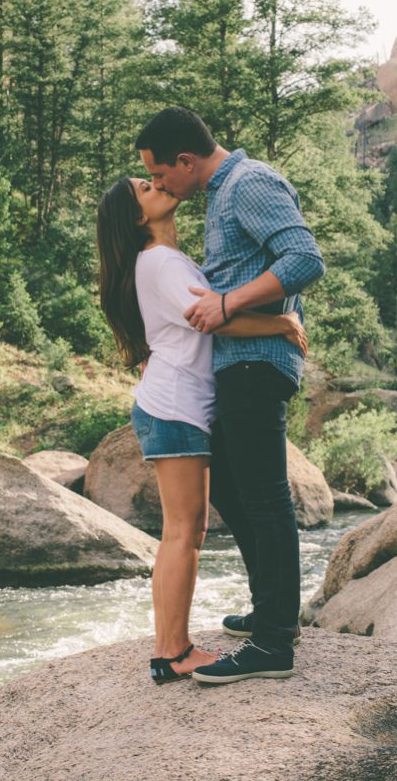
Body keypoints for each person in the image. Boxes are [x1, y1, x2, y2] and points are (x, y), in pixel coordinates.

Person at [134, 106, 324, 685]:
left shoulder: (249, 183)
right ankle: (274, 615)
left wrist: (230, 303)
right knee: (240, 498)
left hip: (258, 365)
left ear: (186, 161)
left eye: (160, 174)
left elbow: (305, 259)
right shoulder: (221, 194)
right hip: (235, 365)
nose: (161, 185)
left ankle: (273, 644)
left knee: (262, 498)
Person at [95, 174, 307, 684]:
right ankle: (172, 653)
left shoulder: (167, 261)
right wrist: (282, 323)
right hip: (175, 407)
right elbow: (212, 319)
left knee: (189, 531)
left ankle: (173, 647)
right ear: (137, 217)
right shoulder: (161, 261)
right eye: (144, 188)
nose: (156, 184)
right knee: (183, 533)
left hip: (181, 406)